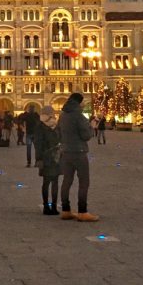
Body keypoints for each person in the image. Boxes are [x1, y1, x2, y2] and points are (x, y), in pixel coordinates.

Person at [57, 92, 98, 221]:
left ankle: (65, 210)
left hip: (65, 152)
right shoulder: (78, 116)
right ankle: (82, 211)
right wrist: (92, 127)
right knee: (84, 181)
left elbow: (58, 133)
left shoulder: (62, 116)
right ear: (79, 103)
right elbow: (86, 136)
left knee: (67, 181)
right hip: (79, 152)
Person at [36, 105, 61, 215]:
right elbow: (38, 144)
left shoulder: (55, 126)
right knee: (48, 182)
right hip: (48, 157)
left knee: (53, 182)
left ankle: (53, 206)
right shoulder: (42, 127)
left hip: (55, 157)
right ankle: (47, 206)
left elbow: (60, 138)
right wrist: (39, 159)